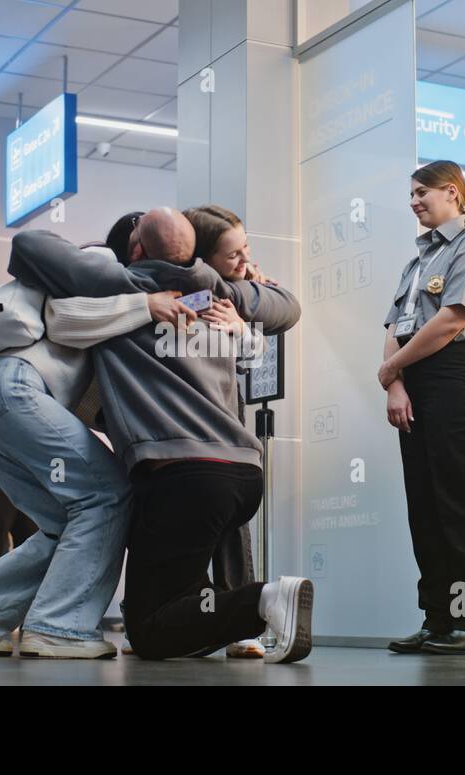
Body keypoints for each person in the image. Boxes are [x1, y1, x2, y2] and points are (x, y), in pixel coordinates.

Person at [9, 208, 312, 663]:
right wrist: (242, 289)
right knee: (182, 593)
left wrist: (104, 267)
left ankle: (265, 600)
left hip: (181, 476)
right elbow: (288, 305)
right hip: (243, 474)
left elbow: (29, 245)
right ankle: (240, 616)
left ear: (135, 250)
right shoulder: (218, 294)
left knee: (148, 630)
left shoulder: (119, 285)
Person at [0, 232, 199, 659]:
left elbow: (90, 401)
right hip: (17, 388)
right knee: (108, 496)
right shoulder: (103, 270)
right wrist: (146, 304)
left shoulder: (100, 290)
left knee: (62, 523)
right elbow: (63, 320)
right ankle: (59, 627)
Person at [377, 161, 465, 656]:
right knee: (425, 506)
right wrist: (395, 384)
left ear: (452, 192)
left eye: (421, 192)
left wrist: (392, 371)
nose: (414, 201)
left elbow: (452, 320)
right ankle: (438, 620)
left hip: (458, 376)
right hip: (416, 380)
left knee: (462, 502)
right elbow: (394, 326)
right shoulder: (418, 260)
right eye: (410, 193)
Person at [183, 204, 275, 659]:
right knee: (178, 539)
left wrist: (242, 325)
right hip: (181, 431)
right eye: (233, 255)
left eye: (246, 250)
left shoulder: (231, 298)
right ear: (203, 258)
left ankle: (241, 627)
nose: (245, 262)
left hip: (226, 431)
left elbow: (252, 358)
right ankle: (175, 624)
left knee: (233, 528)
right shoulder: (192, 296)